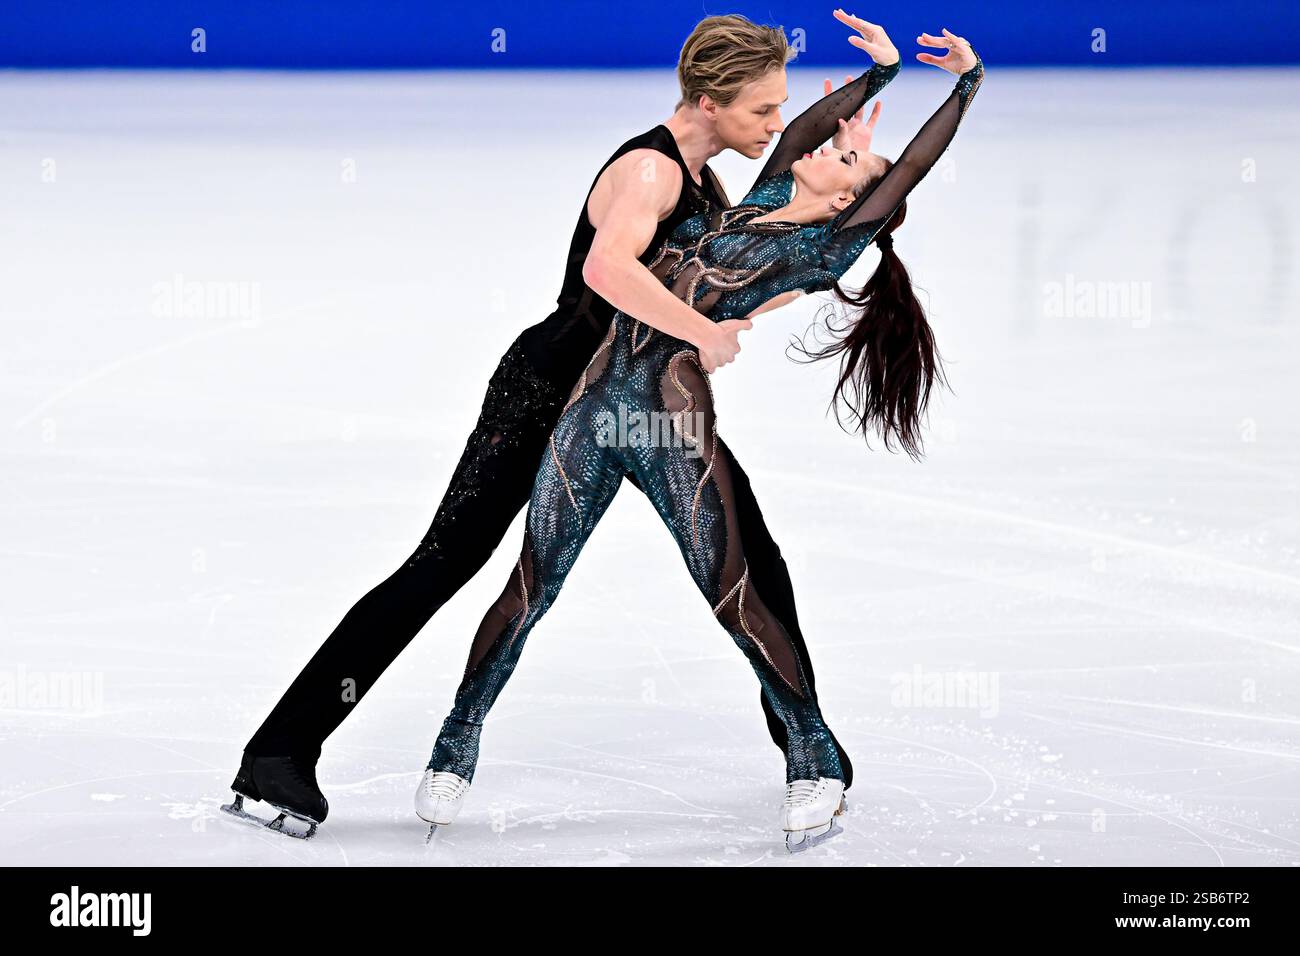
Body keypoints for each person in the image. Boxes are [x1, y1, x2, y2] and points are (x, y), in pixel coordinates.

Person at [223, 11, 869, 837]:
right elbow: (608, 269)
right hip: (549, 390)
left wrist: (862, 118)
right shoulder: (649, 172)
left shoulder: (706, 181)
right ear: (708, 101)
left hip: (646, 399)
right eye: (759, 111)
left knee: (753, 554)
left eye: (780, 108)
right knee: (445, 562)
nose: (774, 126)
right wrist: (702, 331)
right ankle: (277, 756)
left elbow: (756, 226)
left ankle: (806, 744)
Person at [414, 24, 984, 852]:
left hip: (671, 427)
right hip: (591, 413)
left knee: (734, 597)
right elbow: (795, 132)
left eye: (853, 161)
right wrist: (879, 76)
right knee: (532, 585)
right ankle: (454, 740)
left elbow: (910, 169)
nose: (831, 147)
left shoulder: (819, 245)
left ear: (849, 203)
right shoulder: (757, 200)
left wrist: (965, 85)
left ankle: (813, 756)